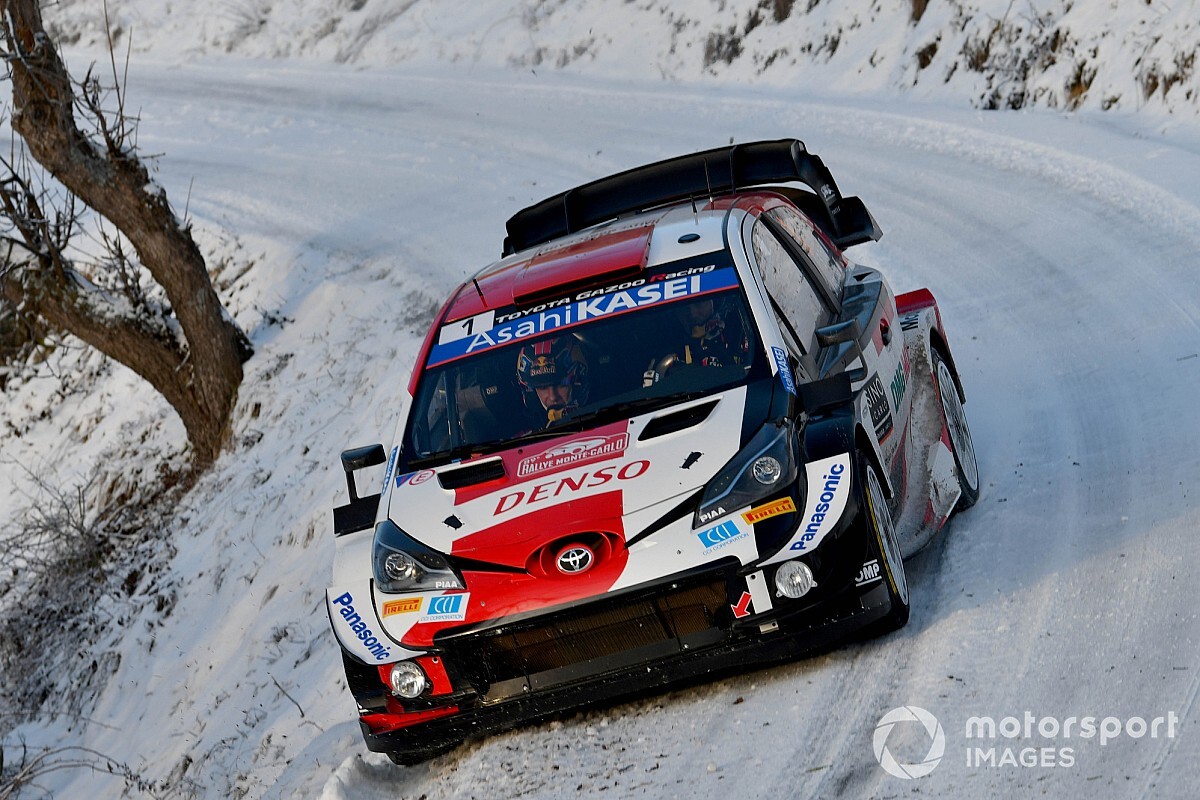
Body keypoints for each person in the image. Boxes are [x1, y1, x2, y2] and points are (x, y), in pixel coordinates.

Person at [643, 296, 748, 386]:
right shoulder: (665, 354)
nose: (692, 314)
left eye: (699, 304)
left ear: (715, 303)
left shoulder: (743, 330)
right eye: (684, 307)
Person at [515, 336, 590, 426]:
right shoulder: (523, 433)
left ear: (577, 381)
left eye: (560, 384)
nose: (553, 397)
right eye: (543, 387)